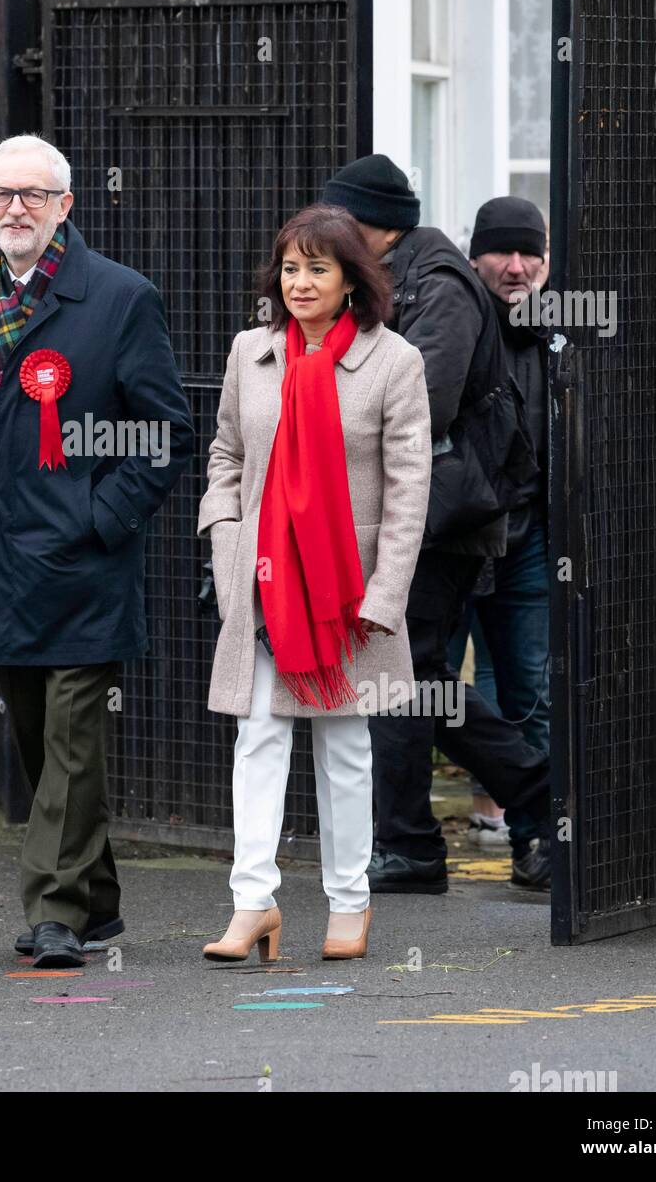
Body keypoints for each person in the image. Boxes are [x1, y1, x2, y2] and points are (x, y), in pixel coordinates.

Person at [0, 134, 193, 968]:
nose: (15, 208)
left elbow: (164, 432)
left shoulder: (120, 298)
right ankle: (101, 904)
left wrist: (99, 515)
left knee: (72, 745)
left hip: (83, 566)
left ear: (65, 207)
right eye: (2, 194)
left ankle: (53, 913)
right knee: (38, 741)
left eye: (33, 196)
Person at [197, 205, 431, 962]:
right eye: (290, 268)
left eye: (317, 269)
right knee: (257, 736)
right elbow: (225, 457)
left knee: (344, 745)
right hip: (263, 580)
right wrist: (228, 547)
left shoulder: (394, 361)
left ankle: (349, 902)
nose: (300, 283)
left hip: (345, 593)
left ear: (351, 279)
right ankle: (251, 903)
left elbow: (409, 489)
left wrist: (384, 595)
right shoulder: (248, 353)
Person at [321, 154, 552, 893]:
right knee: (408, 678)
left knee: (405, 675)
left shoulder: (440, 283)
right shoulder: (400, 275)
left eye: (339, 224)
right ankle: (417, 844)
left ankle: (515, 802)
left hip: (441, 516)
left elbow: (426, 402)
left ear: (370, 224)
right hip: (415, 512)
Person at [450, 198, 551, 856]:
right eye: (501, 253)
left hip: (529, 537)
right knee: (424, 686)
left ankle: (537, 838)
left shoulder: (560, 330)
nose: (516, 267)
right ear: (474, 255)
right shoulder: (450, 320)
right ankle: (396, 837)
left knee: (530, 685)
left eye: (528, 254)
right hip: (453, 537)